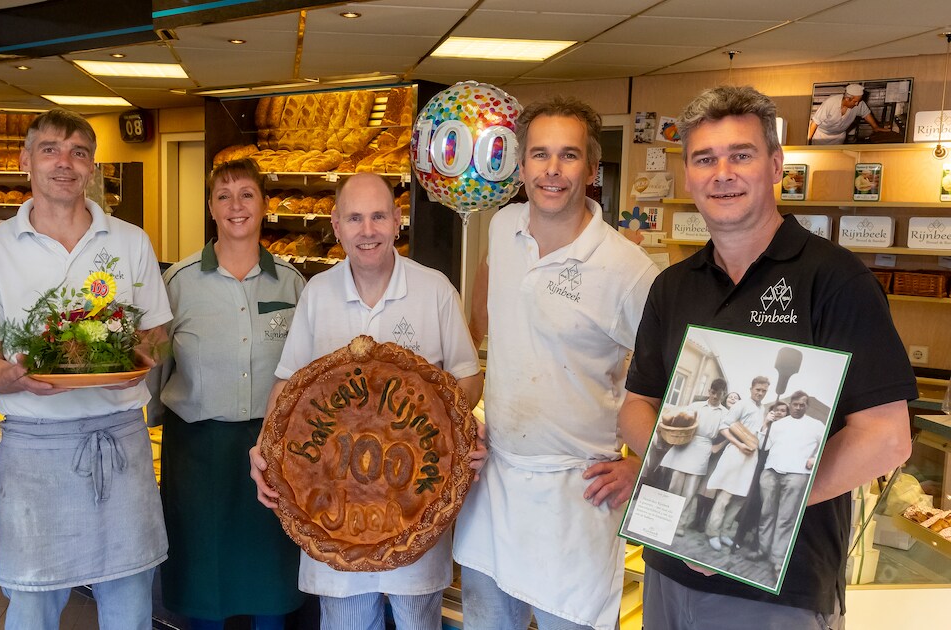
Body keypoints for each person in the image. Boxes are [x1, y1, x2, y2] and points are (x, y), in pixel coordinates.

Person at [619, 85, 915, 629]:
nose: (721, 173)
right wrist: (683, 457)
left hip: (779, 594)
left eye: (741, 155)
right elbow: (637, 405)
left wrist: (751, 506)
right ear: (688, 175)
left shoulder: (835, 280)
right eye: (705, 159)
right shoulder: (672, 286)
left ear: (776, 165)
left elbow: (886, 437)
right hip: (668, 564)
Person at [0, 109, 173, 629]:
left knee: (130, 595)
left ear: (92, 167)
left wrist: (138, 361)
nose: (65, 163)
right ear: (25, 160)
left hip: (120, 439)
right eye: (51, 149)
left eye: (79, 152)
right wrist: (13, 377)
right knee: (33, 600)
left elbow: (156, 337)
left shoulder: (129, 241)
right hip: (36, 447)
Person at [453, 96, 659, 630]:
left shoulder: (627, 269)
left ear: (592, 168)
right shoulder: (502, 227)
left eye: (568, 156)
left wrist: (647, 465)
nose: (552, 170)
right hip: (495, 487)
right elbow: (493, 296)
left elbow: (682, 377)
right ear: (521, 166)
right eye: (539, 155)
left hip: (579, 494)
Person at [249, 172, 484, 630]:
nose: (368, 230)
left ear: (399, 221)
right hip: (332, 509)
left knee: (418, 621)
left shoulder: (434, 289)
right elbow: (288, 389)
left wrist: (449, 428)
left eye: (379, 216)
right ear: (336, 226)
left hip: (416, 505)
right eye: (355, 218)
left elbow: (467, 379)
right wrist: (265, 450)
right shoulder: (318, 293)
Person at [158, 158, 307, 629]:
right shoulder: (178, 284)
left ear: (265, 205)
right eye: (224, 196)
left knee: (271, 587)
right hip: (198, 457)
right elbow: (155, 368)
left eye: (247, 194)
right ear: (210, 207)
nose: (236, 206)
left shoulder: (292, 282)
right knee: (205, 585)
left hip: (276, 452)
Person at [751, 391, 826, 573]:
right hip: (771, 471)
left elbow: (826, 444)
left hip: (797, 474)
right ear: (790, 404)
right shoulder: (778, 424)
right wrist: (766, 423)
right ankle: (763, 549)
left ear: (807, 406)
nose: (798, 407)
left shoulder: (816, 425)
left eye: (802, 405)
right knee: (766, 513)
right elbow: (763, 446)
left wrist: (815, 458)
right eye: (795, 404)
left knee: (786, 518)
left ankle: (778, 559)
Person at [701, 377, 770, 551]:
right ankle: (713, 532)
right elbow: (724, 427)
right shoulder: (742, 405)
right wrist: (739, 444)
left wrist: (765, 425)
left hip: (751, 456)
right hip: (735, 453)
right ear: (751, 388)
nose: (760, 393)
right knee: (725, 495)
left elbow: (757, 434)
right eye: (758, 389)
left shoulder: (762, 408)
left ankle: (725, 532)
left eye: (764, 391)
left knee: (740, 497)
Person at [661, 379, 727, 538]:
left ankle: (680, 524)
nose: (716, 396)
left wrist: (719, 446)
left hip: (703, 448)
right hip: (686, 444)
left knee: (690, 490)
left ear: (723, 394)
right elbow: (680, 419)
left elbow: (730, 433)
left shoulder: (725, 413)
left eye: (720, 393)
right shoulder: (696, 406)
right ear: (709, 391)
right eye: (713, 392)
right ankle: (666, 520)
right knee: (675, 485)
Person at [807, 83, 889, 144]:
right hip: (821, 136)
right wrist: (807, 141)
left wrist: (875, 127)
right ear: (847, 98)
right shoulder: (830, 102)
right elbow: (815, 122)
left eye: (859, 101)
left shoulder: (859, 103)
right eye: (855, 101)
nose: (857, 104)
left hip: (839, 137)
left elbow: (866, 114)